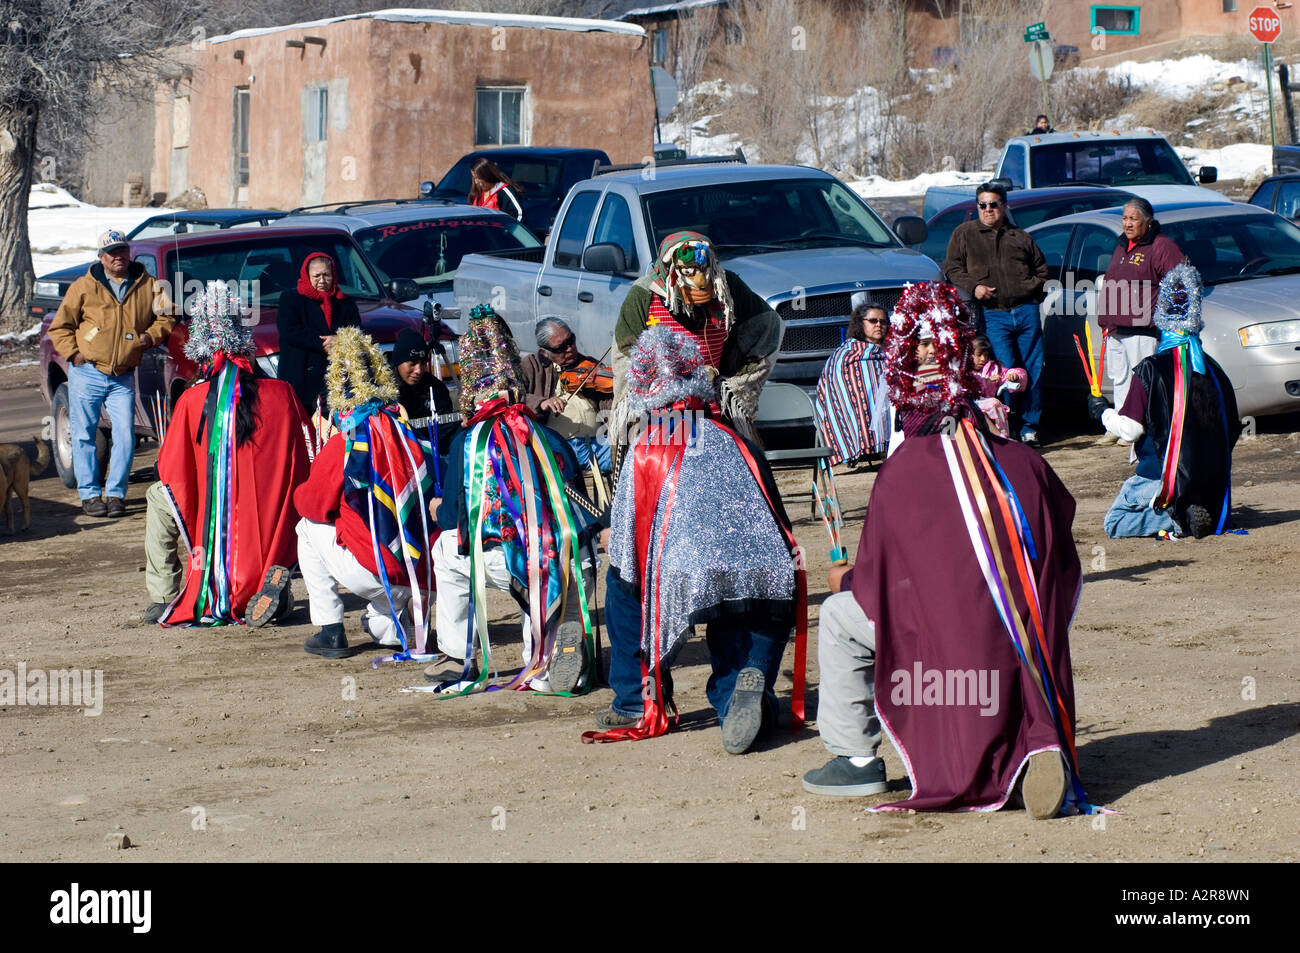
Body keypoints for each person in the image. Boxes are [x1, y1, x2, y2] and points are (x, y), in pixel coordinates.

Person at [801, 281, 1086, 818]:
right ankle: (1030, 740)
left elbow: (875, 584)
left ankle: (857, 760)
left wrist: (845, 577)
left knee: (841, 615)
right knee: (1016, 603)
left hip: (946, 655)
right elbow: (1063, 554)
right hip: (1026, 638)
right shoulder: (1023, 461)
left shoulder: (902, 473)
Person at [585, 326, 804, 754]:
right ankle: (745, 682)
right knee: (760, 601)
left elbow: (627, 542)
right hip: (751, 567)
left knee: (622, 585)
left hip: (676, 573)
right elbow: (778, 522)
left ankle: (635, 698)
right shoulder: (737, 440)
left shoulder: (645, 448)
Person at [424, 305, 599, 695]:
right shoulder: (550, 437)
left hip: (504, 557)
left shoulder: (469, 443)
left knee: (445, 550)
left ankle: (458, 656)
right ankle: (549, 661)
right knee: (565, 559)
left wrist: (438, 510)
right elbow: (581, 510)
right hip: (566, 559)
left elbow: (454, 518)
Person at [142, 281, 311, 627]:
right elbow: (306, 453)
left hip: (211, 514)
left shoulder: (192, 400)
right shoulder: (282, 394)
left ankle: (161, 596)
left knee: (158, 495)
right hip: (271, 513)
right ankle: (274, 580)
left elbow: (169, 468)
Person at [294, 327, 437, 659]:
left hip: (377, 572)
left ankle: (330, 629)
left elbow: (312, 504)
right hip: (421, 575)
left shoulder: (347, 440)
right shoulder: (408, 433)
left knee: (306, 527)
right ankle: (388, 629)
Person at [609, 232, 782, 473]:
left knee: (741, 465)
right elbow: (627, 354)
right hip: (661, 408)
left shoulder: (728, 286)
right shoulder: (642, 295)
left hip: (716, 401)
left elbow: (767, 324)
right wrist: (669, 383)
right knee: (657, 466)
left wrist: (732, 380)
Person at [1091, 264, 1240, 539]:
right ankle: (1194, 505)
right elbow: (1232, 427)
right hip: (1210, 480)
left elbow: (1132, 430)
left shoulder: (1150, 368)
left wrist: (1103, 412)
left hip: (1160, 475)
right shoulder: (1214, 370)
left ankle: (1177, 516)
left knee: (1115, 521)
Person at [46, 229, 175, 517]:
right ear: (101, 258)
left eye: (123, 251)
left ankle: (116, 494)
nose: (119, 257)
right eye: (112, 252)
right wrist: (74, 354)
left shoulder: (151, 285)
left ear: (130, 253)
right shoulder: (83, 287)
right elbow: (60, 327)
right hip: (87, 373)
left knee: (126, 437)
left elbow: (167, 316)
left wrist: (149, 337)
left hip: (123, 376)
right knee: (84, 436)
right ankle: (90, 494)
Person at [943, 182, 1048, 444]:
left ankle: (1030, 427)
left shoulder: (1020, 236)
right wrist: (974, 287)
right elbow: (952, 269)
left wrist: (1028, 290)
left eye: (993, 204)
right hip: (993, 313)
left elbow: (1042, 271)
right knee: (1003, 372)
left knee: (1032, 370)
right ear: (976, 206)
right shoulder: (964, 234)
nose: (988, 210)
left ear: (1004, 206)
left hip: (1025, 311)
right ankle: (1007, 425)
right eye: (982, 205)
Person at [1098, 197, 1187, 440]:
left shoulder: (1161, 246)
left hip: (1142, 329)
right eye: (1124, 218)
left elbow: (1180, 283)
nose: (1127, 224)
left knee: (1143, 381)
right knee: (1120, 378)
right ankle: (1120, 426)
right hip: (1116, 328)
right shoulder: (1121, 246)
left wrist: (1170, 321)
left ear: (1148, 222)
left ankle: (1145, 429)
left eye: (1133, 219)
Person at [520, 317, 613, 472]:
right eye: (561, 347)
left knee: (634, 454)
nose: (570, 348)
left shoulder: (589, 365)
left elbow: (608, 403)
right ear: (545, 352)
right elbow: (513, 395)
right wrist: (541, 403)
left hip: (597, 444)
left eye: (571, 341)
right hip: (558, 448)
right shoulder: (531, 365)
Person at [275, 252, 362, 415]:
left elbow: (357, 330)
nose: (322, 281)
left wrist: (340, 340)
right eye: (316, 276)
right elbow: (289, 331)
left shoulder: (345, 303)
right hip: (302, 378)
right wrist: (322, 343)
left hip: (335, 380)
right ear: (307, 276)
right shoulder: (291, 299)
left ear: (333, 275)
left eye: (326, 275)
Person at [815, 300, 890, 465]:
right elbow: (836, 388)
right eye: (873, 321)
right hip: (852, 413)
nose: (878, 325)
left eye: (883, 321)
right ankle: (861, 445)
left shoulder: (892, 353)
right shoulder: (845, 354)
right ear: (860, 324)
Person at [390, 327, 460, 481]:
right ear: (398, 361)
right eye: (412, 363)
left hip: (431, 455)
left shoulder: (436, 388)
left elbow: (446, 431)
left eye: (423, 363)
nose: (418, 370)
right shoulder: (384, 389)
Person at [971, 333, 1028, 438]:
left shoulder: (993, 369)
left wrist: (1015, 376)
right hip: (969, 409)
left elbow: (1008, 374)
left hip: (991, 414)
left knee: (996, 405)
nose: (983, 359)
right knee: (994, 403)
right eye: (979, 355)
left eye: (986, 355)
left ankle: (1003, 441)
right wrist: (985, 381)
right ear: (968, 354)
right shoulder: (961, 370)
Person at [467, 157, 524, 222]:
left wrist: (504, 231)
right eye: (474, 178)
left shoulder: (504, 191)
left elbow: (519, 215)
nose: (476, 182)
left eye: (478, 178)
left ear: (486, 175)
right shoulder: (475, 195)